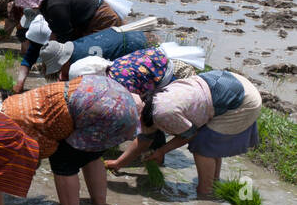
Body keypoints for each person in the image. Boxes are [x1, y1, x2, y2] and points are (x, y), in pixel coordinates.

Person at [1, 76, 140, 205]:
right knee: (91, 155)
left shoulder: (13, 116)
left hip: (102, 110)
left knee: (62, 160)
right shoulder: (29, 98)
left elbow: (44, 148)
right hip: (121, 101)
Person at [107, 71, 263, 197]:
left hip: (243, 100)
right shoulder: (150, 103)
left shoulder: (162, 113)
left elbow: (189, 135)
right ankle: (214, 184)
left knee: (202, 146)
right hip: (227, 82)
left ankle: (205, 192)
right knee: (209, 140)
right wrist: (118, 163)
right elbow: (144, 140)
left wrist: (161, 151)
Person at [15, 24, 154, 91]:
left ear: (64, 60)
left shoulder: (81, 62)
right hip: (131, 34)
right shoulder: (73, 47)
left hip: (135, 45)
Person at [14, 0, 123, 42]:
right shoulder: (48, 0)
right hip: (87, 22)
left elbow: (65, 37)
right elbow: (57, 31)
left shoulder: (54, 5)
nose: (29, 7)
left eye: (27, 4)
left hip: (102, 21)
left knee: (97, 53)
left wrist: (51, 54)